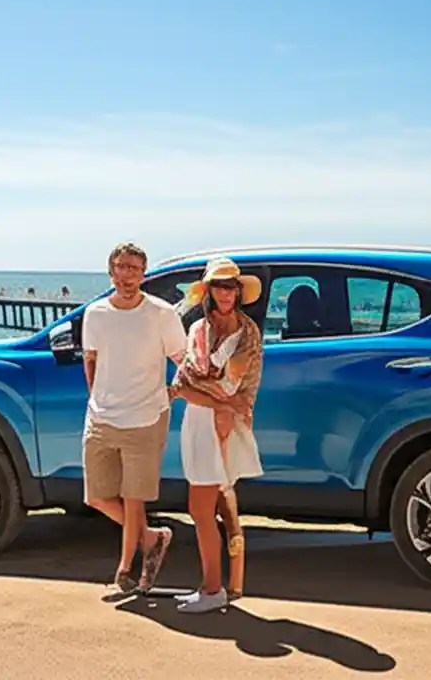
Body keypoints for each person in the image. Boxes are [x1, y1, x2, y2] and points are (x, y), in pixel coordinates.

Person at [82, 241, 188, 594]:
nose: (127, 275)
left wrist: (173, 391)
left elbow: (182, 359)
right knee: (96, 496)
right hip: (101, 417)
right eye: (122, 267)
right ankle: (152, 537)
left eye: (135, 269)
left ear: (144, 275)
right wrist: (98, 396)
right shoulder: (96, 314)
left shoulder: (161, 314)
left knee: (133, 497)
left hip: (146, 416)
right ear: (111, 271)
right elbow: (91, 358)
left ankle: (126, 571)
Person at [169, 256, 264, 613]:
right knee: (202, 507)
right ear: (209, 291)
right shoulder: (198, 329)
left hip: (221, 425)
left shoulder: (248, 332)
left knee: (202, 507)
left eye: (231, 286)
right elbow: (184, 383)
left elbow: (229, 383)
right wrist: (222, 402)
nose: (226, 292)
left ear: (238, 291)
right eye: (219, 286)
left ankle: (212, 590)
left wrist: (218, 399)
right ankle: (211, 587)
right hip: (201, 421)